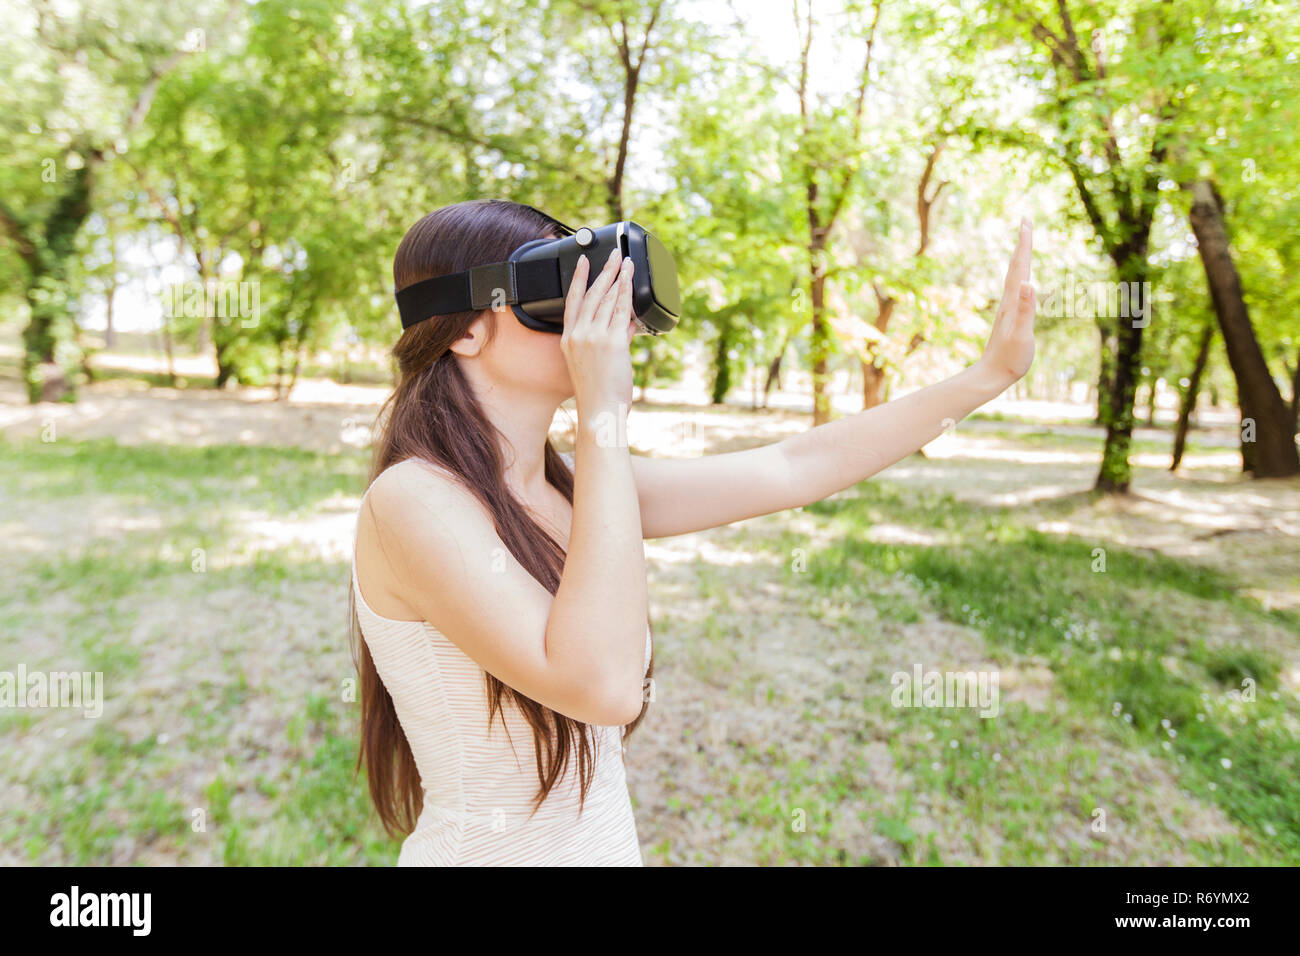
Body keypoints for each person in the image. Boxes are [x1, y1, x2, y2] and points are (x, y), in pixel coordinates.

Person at [349, 198, 1036, 865]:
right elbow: (604, 687)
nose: (587, 310)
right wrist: (603, 411)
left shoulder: (568, 487)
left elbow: (794, 468)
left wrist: (988, 376)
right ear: (466, 330)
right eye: (551, 286)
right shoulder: (412, 500)